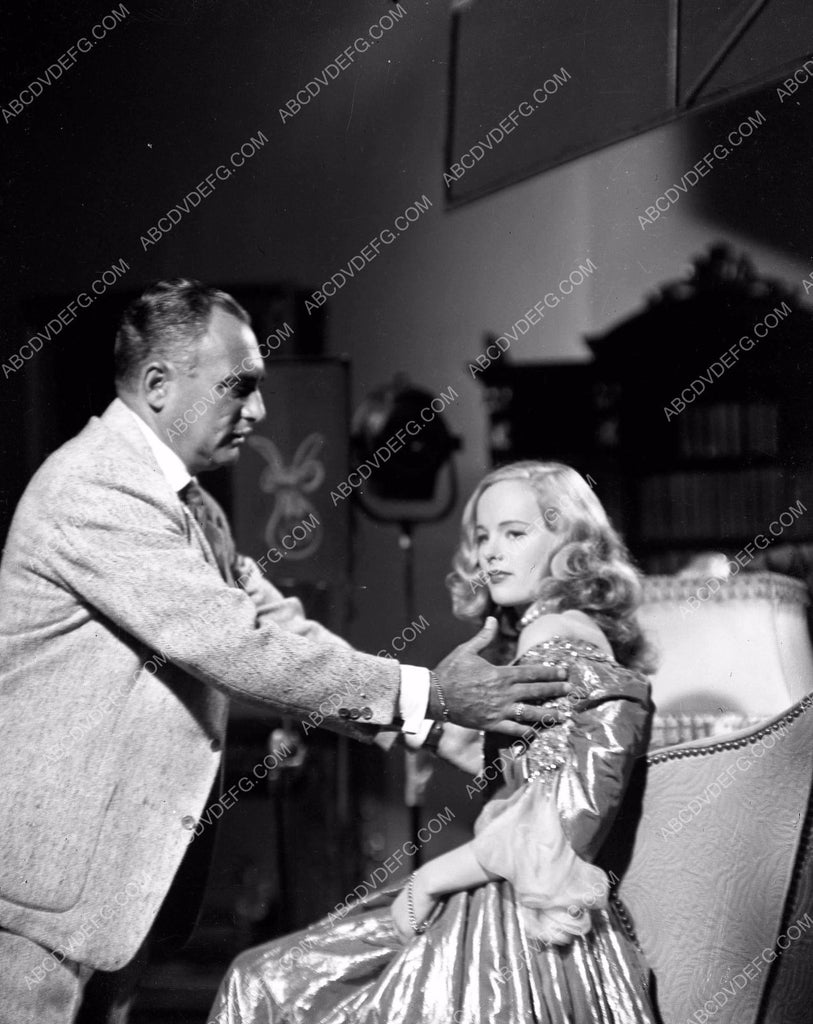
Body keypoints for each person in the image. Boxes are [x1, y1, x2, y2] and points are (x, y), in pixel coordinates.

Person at [0, 283, 569, 1024]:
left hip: (103, 891)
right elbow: (237, 646)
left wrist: (437, 723)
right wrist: (432, 693)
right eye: (239, 386)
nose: (260, 411)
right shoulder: (97, 487)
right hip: (46, 894)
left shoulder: (191, 505)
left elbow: (279, 625)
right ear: (158, 386)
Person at [209, 460, 659, 1024]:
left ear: (572, 546)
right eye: (482, 536)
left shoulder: (552, 636)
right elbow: (509, 761)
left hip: (516, 926)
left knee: (265, 983)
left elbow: (551, 829)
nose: (491, 553)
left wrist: (427, 881)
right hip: (515, 904)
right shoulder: (563, 631)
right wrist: (431, 716)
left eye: (515, 533)